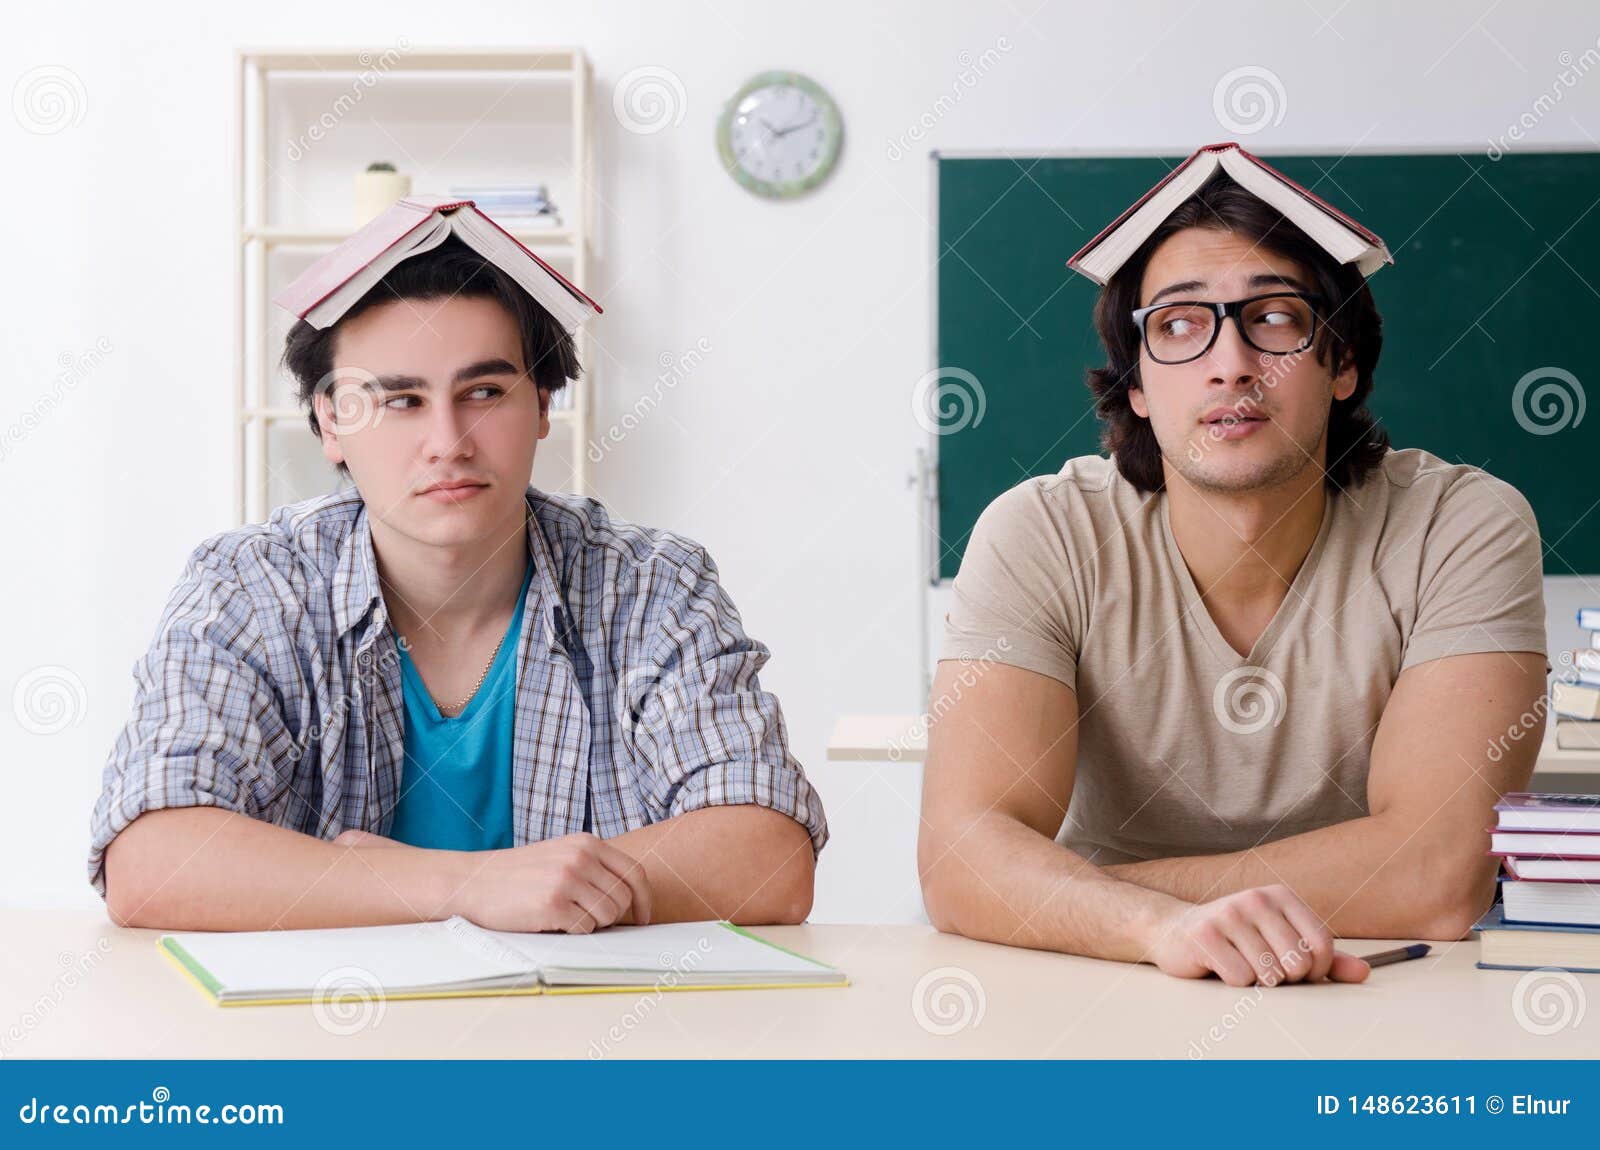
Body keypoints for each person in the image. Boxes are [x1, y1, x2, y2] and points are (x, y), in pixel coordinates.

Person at [919, 169, 1548, 988]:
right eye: (1179, 325)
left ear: (1342, 362)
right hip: (1104, 983)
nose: (1232, 364)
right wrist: (1156, 927)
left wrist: (1073, 895)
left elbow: (1433, 876)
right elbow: (963, 858)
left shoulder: (1461, 525)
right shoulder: (1042, 532)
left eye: (1275, 318)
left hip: (1376, 987)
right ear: (1137, 385)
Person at [90, 235, 826, 933]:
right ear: (330, 424)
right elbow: (153, 862)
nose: (448, 441)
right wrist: (469, 887)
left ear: (542, 406)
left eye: (483, 392)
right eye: (402, 401)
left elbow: (770, 855)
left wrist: (380, 881)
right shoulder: (249, 586)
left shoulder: (651, 586)